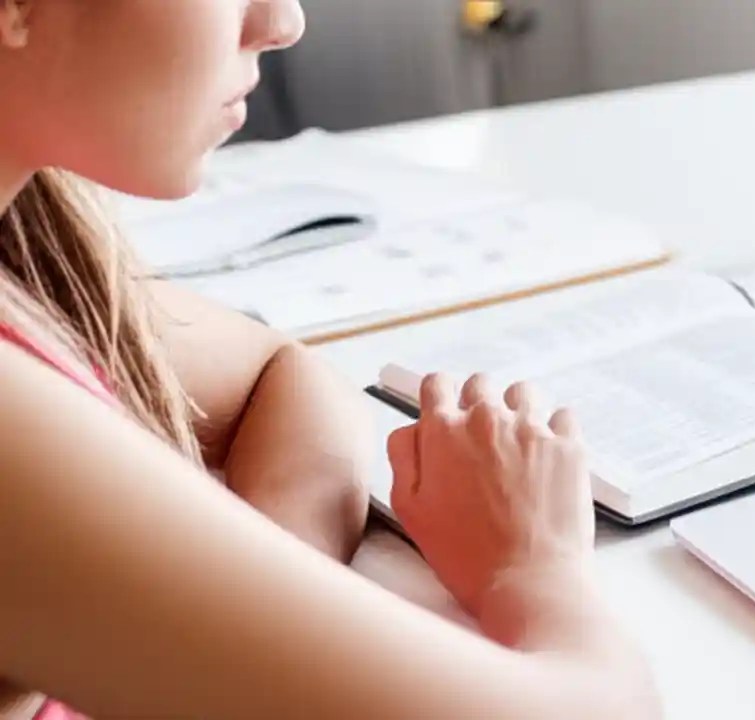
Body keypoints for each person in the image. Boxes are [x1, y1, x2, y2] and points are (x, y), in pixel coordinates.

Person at [0, 1, 658, 719]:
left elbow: (277, 371)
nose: (283, 21)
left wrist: (252, 624)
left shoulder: (32, 261)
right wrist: (534, 571)